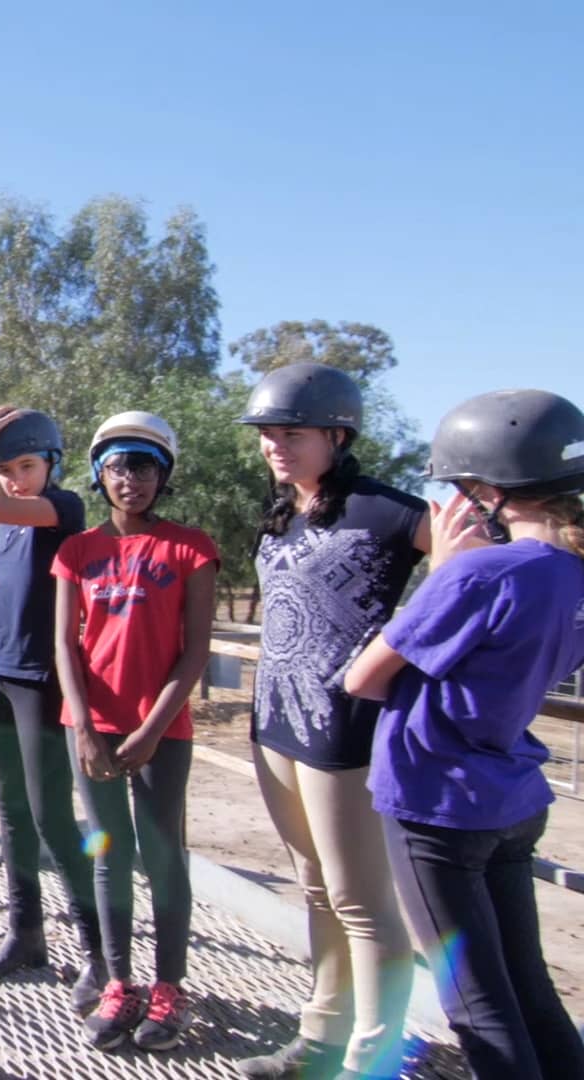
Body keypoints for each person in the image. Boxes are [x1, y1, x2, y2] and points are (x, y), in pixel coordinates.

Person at [345, 389, 584, 1080]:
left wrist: (442, 570)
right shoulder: (571, 574)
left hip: (436, 804)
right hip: (512, 796)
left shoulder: (482, 572)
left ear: (485, 490)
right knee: (528, 987)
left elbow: (363, 677)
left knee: (477, 1005)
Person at [234, 363, 426, 1080]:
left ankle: (374, 1060)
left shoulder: (391, 511)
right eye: (266, 435)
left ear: (337, 434)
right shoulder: (283, 510)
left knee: (362, 900)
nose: (274, 446)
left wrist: (405, 649)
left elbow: (476, 575)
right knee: (315, 890)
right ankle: (320, 1036)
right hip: (277, 723)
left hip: (344, 732)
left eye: (291, 433)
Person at [52, 411, 217, 1053]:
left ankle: (170, 987)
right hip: (89, 728)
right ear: (100, 473)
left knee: (163, 858)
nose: (132, 479)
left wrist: (151, 728)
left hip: (161, 730)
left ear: (163, 475)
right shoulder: (77, 552)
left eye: (145, 466)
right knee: (109, 856)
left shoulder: (190, 547)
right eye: (119, 465)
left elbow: (195, 650)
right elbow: (66, 648)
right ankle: (119, 982)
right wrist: (86, 727)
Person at [0, 406, 105, 1012]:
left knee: (51, 817)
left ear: (52, 462)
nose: (16, 479)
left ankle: (102, 956)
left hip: (44, 683)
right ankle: (27, 934)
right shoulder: (11, 523)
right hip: (4, 676)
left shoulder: (62, 507)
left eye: (26, 465)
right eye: (5, 469)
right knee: (11, 812)